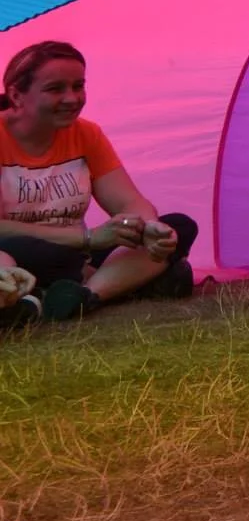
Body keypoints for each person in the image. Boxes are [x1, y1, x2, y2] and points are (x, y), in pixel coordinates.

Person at [0, 41, 198, 320]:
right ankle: (134, 281)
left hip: (79, 255)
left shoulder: (86, 134)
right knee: (32, 252)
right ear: (16, 95)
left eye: (78, 86)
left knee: (179, 227)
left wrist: (150, 227)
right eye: (55, 89)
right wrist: (88, 238)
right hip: (26, 252)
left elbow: (127, 200)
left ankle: (83, 296)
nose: (72, 98)